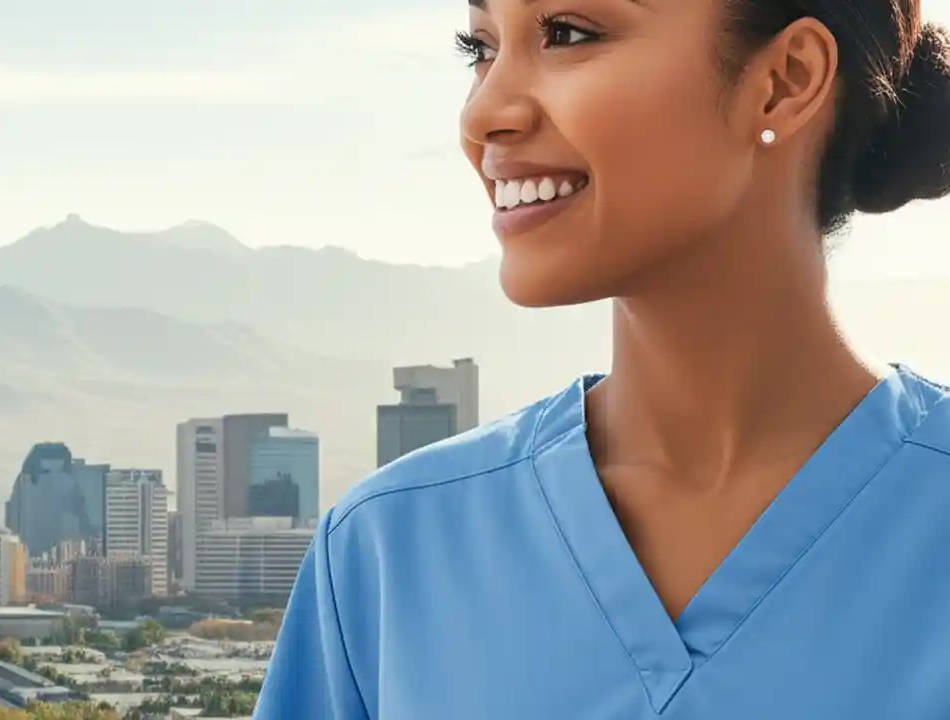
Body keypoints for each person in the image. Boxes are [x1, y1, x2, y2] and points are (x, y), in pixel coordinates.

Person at [254, 0, 950, 717]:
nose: (483, 113)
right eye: (481, 47)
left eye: (567, 34)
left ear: (785, 80)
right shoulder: (388, 553)